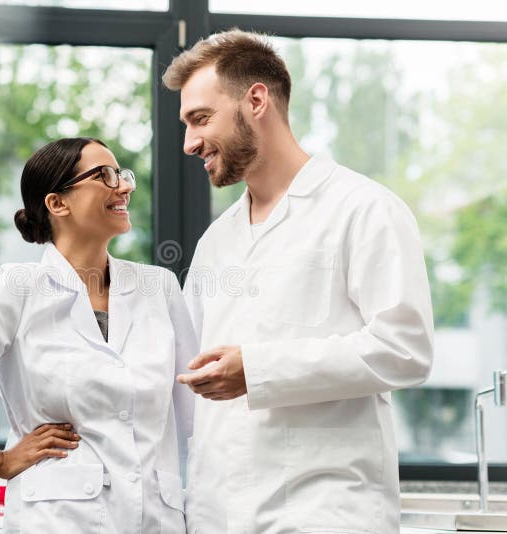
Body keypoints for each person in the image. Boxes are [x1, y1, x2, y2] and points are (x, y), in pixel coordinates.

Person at [163, 29, 434, 533]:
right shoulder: (215, 243)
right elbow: (184, 374)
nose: (189, 142)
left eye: (201, 118)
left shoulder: (364, 210)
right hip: (217, 515)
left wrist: (260, 369)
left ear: (257, 100)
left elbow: (406, 348)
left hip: (324, 514)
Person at [0, 137, 196, 534]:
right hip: (60, 519)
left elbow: (196, 415)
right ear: (58, 203)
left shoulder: (159, 288)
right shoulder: (20, 288)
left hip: (158, 520)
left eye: (122, 175)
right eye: (105, 176)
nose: (124, 186)